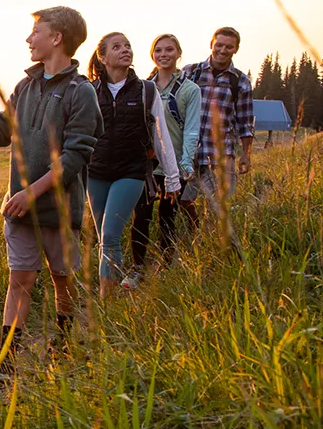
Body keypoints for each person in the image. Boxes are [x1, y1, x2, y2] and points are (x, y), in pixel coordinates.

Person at [0, 6, 102, 372]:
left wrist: (31, 193)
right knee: (20, 280)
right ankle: (6, 359)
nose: (29, 39)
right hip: (20, 209)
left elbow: (75, 157)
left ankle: (64, 340)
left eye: (35, 32)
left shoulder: (81, 92)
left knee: (62, 278)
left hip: (58, 210)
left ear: (56, 38)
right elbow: (0, 130)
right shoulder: (25, 86)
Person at [86, 32, 180, 298]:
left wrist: (172, 178)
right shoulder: (90, 91)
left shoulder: (146, 90)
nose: (125, 50)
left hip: (130, 172)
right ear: (103, 57)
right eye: (117, 47)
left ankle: (106, 301)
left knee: (110, 236)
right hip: (96, 172)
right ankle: (110, 293)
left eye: (127, 46)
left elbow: (161, 137)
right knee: (102, 236)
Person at [125, 33, 202, 286]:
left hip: (174, 164)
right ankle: (138, 268)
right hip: (147, 164)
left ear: (179, 53)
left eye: (169, 50)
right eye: (158, 50)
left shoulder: (190, 90)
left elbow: (191, 129)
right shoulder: (143, 88)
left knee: (167, 217)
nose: (163, 55)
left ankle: (166, 265)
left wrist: (185, 164)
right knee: (141, 216)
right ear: (152, 55)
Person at [182, 27, 255, 212]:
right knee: (184, 205)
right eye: (219, 45)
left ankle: (213, 231)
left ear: (236, 49)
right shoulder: (191, 72)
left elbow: (245, 123)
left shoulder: (240, 81)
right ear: (211, 45)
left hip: (220, 155)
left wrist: (246, 154)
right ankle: (191, 231)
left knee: (219, 208)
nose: (223, 50)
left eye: (229, 47)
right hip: (187, 153)